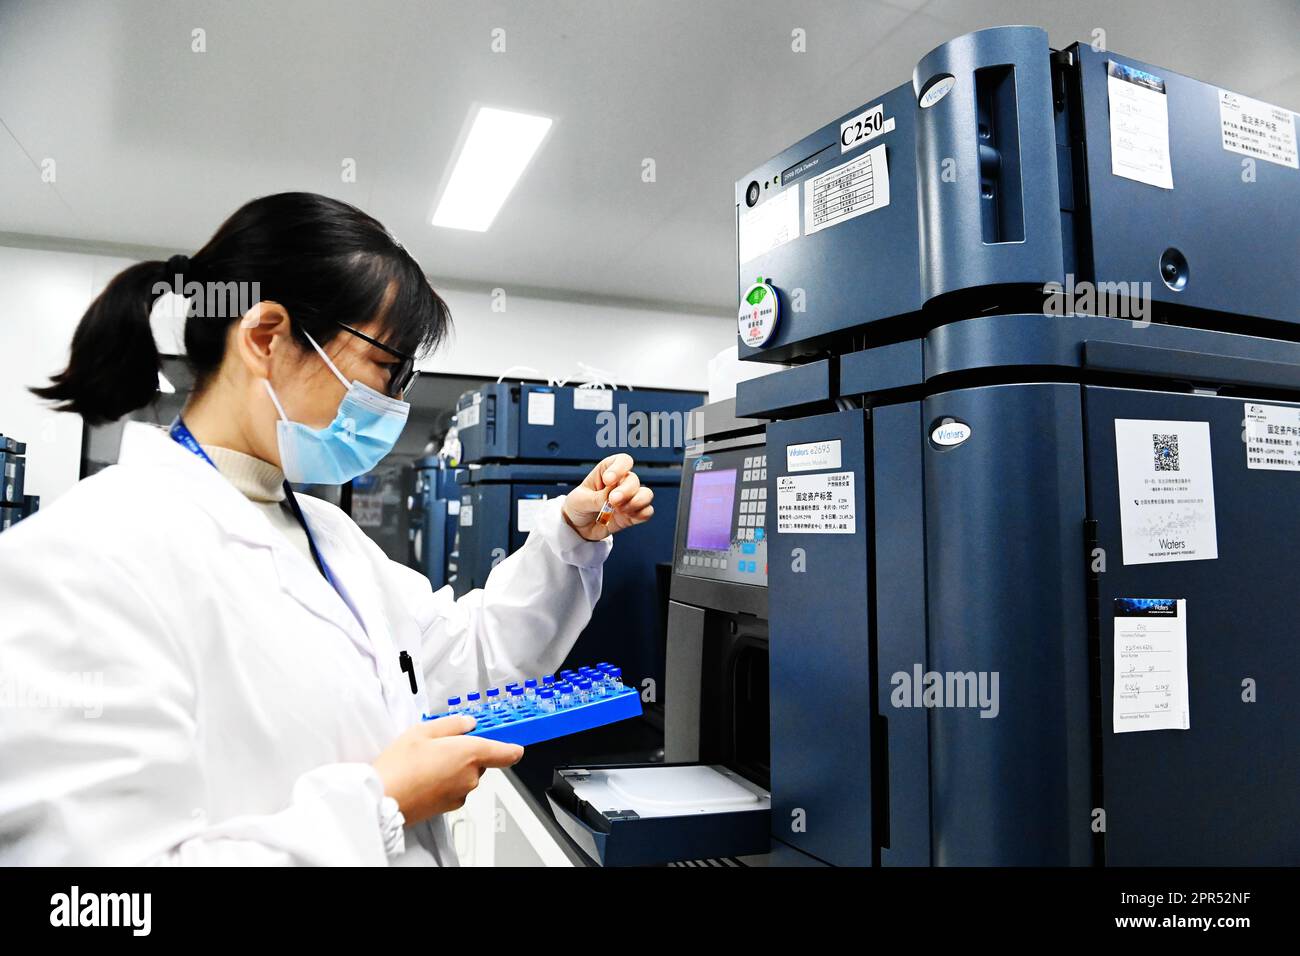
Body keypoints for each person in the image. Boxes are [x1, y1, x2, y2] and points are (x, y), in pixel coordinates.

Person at [0, 192, 654, 865]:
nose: (395, 403)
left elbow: (465, 659)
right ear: (264, 338)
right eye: (386, 367)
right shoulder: (84, 560)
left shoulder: (324, 533)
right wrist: (380, 808)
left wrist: (574, 535)